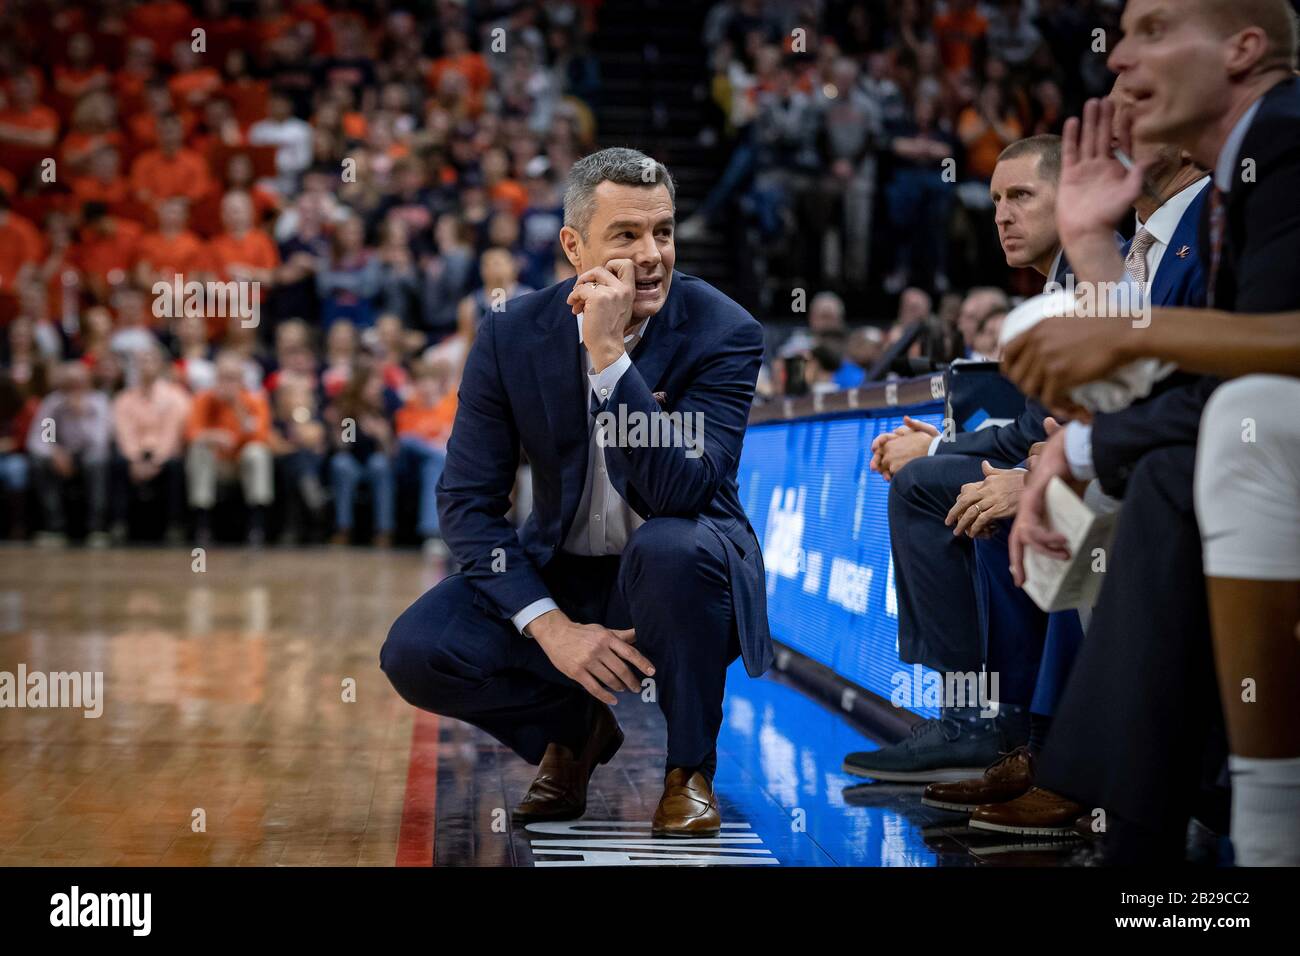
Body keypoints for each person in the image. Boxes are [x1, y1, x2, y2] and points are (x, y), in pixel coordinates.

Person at [380, 148, 770, 836]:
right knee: (416, 649)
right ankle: (575, 731)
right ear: (573, 245)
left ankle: (689, 770)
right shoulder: (510, 336)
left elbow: (681, 490)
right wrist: (550, 628)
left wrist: (609, 357)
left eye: (665, 232)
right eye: (627, 235)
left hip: (687, 570)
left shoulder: (723, 332)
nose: (652, 254)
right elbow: (467, 504)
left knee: (669, 545)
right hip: (565, 570)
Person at [1004, 0, 1300, 863]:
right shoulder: (1239, 170)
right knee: (1168, 471)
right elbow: (1184, 380)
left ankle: (1243, 828)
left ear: (1244, 48)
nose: (1120, 58)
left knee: (1214, 443)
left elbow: (1258, 360)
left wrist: (1098, 402)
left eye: (1154, 29)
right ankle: (1152, 841)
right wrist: (1094, 248)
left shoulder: (1283, 138)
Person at [844, 136, 1069, 783]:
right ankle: (979, 718)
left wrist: (943, 452)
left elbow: (1043, 433)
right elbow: (1030, 428)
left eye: (1021, 196)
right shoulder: (1054, 289)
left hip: (1108, 477)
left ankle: (982, 721)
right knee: (927, 476)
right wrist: (936, 444)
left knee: (922, 485)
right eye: (996, 198)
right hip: (1074, 465)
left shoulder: (1088, 284)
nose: (1001, 214)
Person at [185, 350, 274, 546]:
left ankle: (256, 527)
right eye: (223, 377)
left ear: (242, 379)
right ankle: (202, 526)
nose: (227, 383)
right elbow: (191, 433)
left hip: (241, 461)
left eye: (232, 378)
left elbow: (260, 435)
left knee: (258, 453)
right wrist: (213, 436)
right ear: (215, 378)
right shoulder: (204, 399)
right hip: (216, 463)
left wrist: (238, 407)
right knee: (200, 450)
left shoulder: (254, 400)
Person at [111, 340, 191, 542]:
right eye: (141, 361)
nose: (146, 365)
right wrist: (135, 460)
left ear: (162, 365)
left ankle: (175, 525)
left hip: (164, 455)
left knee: (175, 467)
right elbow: (124, 433)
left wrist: (156, 461)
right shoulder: (124, 399)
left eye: (151, 360)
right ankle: (119, 524)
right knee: (117, 463)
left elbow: (172, 434)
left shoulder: (176, 397)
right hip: (135, 454)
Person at [26, 362, 112, 547]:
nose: (75, 387)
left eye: (79, 382)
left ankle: (96, 528)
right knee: (39, 461)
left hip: (88, 455)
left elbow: (99, 442)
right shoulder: (53, 403)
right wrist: (55, 453)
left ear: (88, 382)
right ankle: (55, 528)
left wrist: (80, 416)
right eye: (70, 383)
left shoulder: (99, 402)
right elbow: (40, 439)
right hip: (61, 455)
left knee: (97, 461)